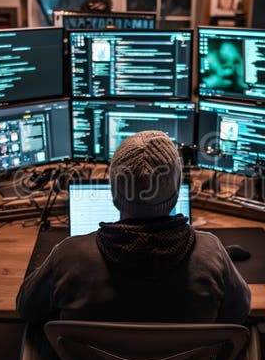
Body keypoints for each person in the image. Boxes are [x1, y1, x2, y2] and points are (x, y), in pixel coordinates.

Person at [17, 130, 251, 324]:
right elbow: (238, 313)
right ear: (176, 190)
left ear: (114, 192)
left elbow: (27, 309)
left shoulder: (68, 256)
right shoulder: (211, 252)